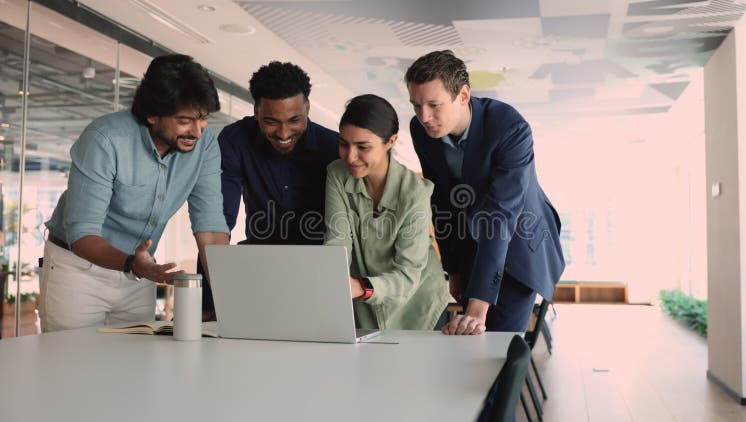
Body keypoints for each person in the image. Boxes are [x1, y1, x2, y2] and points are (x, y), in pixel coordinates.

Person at [40, 54, 230, 332]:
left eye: (203, 119)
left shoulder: (206, 147)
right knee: (70, 356)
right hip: (78, 270)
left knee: (133, 357)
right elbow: (82, 233)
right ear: (152, 114)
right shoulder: (105, 139)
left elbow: (210, 229)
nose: (197, 131)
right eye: (185, 120)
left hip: (140, 274)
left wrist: (228, 300)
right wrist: (133, 264)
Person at [405, 50, 565, 335]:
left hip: (519, 245)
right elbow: (441, 201)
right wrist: (453, 268)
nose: (424, 116)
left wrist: (478, 307)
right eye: (416, 105)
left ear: (463, 95)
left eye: (434, 105)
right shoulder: (421, 131)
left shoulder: (509, 128)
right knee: (469, 345)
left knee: (498, 345)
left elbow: (500, 215)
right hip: (471, 245)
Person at [201, 61, 339, 314]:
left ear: (307, 107)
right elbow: (216, 223)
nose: (284, 133)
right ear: (256, 111)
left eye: (294, 120)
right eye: (271, 121)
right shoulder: (235, 141)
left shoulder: (335, 148)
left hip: (319, 273)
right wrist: (210, 304)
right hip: (259, 268)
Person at [324, 94, 452, 330]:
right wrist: (335, 279)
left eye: (363, 147)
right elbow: (337, 242)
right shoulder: (337, 174)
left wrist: (359, 287)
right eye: (344, 144)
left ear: (391, 141)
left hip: (420, 308)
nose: (350, 156)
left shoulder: (415, 193)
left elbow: (407, 276)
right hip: (365, 307)